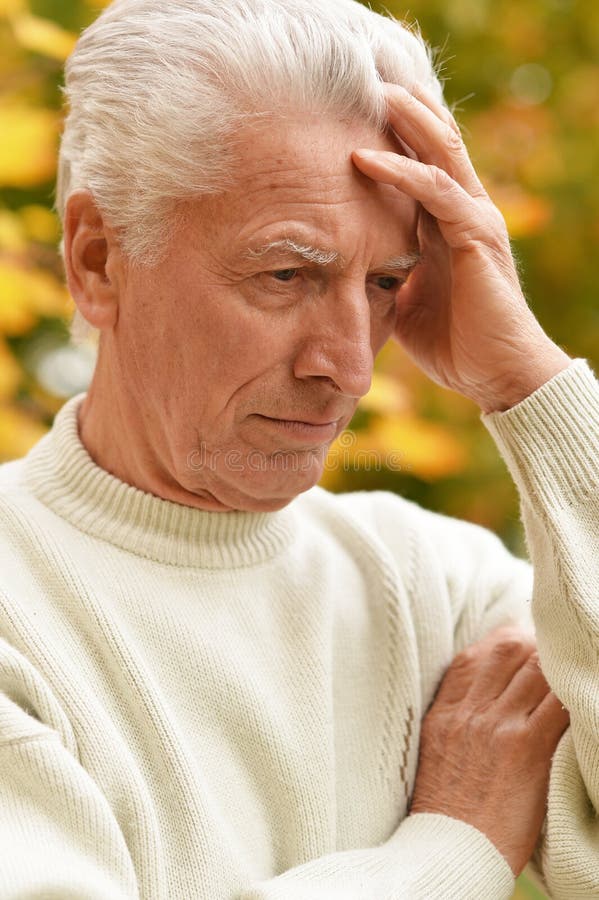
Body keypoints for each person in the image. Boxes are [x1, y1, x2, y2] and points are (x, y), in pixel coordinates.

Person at [0, 0, 596, 897]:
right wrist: (454, 848)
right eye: (287, 273)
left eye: (387, 282)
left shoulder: (440, 589)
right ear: (96, 259)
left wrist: (531, 386)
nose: (351, 368)